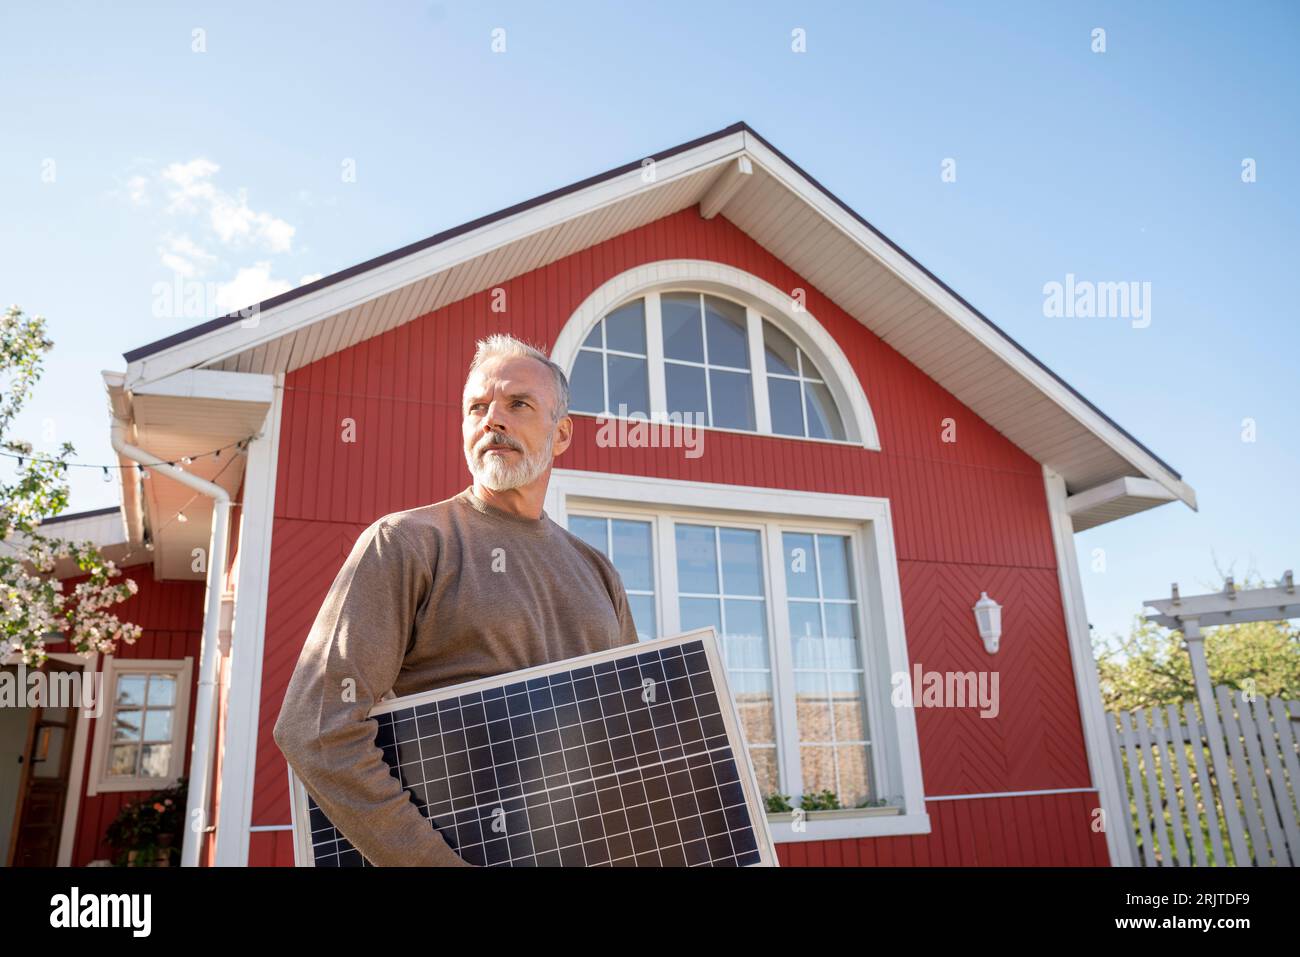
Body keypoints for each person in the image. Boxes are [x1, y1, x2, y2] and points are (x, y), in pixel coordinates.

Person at [273, 333, 641, 866]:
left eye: (518, 404)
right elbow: (316, 728)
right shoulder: (407, 543)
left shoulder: (598, 571)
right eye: (477, 407)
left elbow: (633, 731)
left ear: (561, 434)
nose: (493, 419)